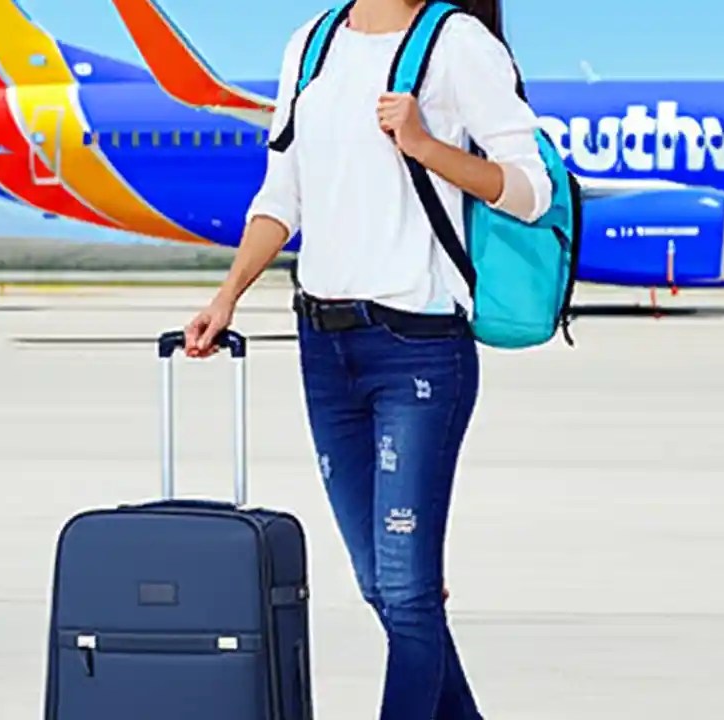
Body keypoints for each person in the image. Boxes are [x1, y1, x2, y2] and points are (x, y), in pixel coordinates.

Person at [183, 0, 552, 716]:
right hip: (324, 349)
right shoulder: (311, 45)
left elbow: (531, 192)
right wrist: (227, 296)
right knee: (382, 587)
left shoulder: (456, 42)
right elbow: (281, 193)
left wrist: (424, 144)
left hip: (417, 348)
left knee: (409, 595)